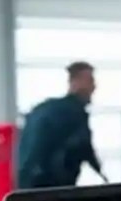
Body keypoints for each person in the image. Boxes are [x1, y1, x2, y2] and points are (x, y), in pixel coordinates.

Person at [17, 60, 107, 189]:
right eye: (90, 80)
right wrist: (104, 178)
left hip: (30, 184)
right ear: (75, 82)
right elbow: (85, 147)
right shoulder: (72, 112)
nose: (94, 86)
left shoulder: (44, 109)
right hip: (54, 186)